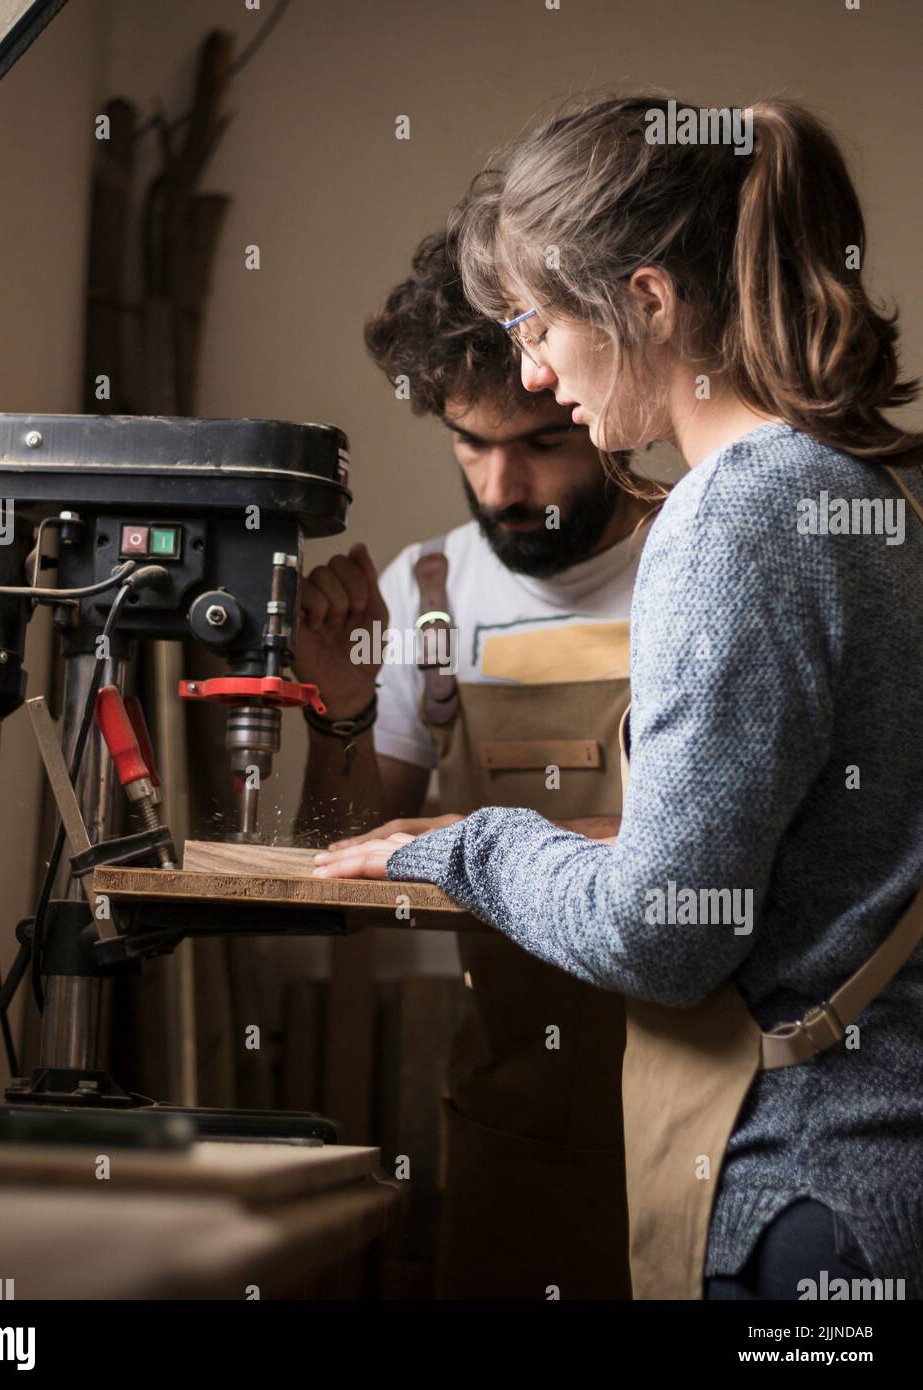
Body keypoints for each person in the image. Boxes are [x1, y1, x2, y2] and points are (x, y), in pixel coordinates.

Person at [313, 96, 923, 1301]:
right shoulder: (856, 491)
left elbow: (663, 924)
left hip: (798, 1190)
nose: (533, 368)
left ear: (647, 301)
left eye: (539, 323)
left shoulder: (733, 511)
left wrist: (469, 844)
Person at [293, 228, 658, 1297]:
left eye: (542, 441)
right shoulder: (428, 592)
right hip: (514, 1112)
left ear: (597, 402)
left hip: (702, 1111)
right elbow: (351, 879)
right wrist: (341, 710)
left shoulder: (702, 558)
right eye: (469, 444)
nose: (503, 486)